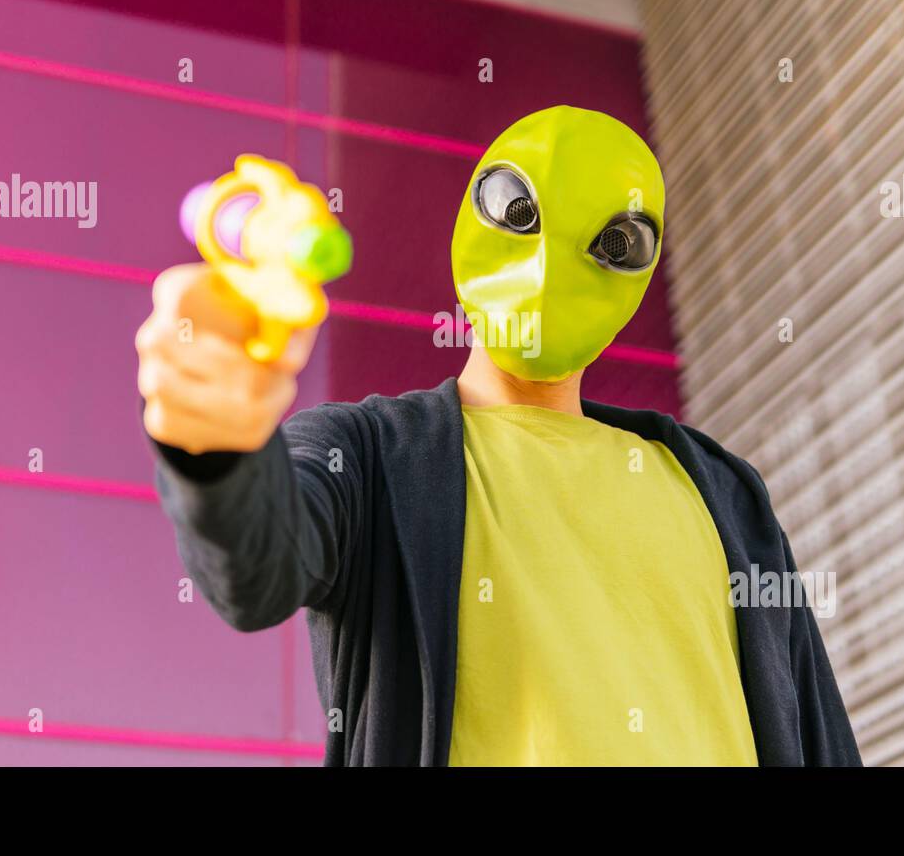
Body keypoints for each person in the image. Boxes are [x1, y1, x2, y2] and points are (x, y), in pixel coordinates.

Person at [136, 105, 861, 766]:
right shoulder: (367, 458)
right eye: (517, 210)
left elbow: (821, 736)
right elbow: (258, 566)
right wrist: (215, 444)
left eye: (615, 241)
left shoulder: (723, 493)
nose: (545, 267)